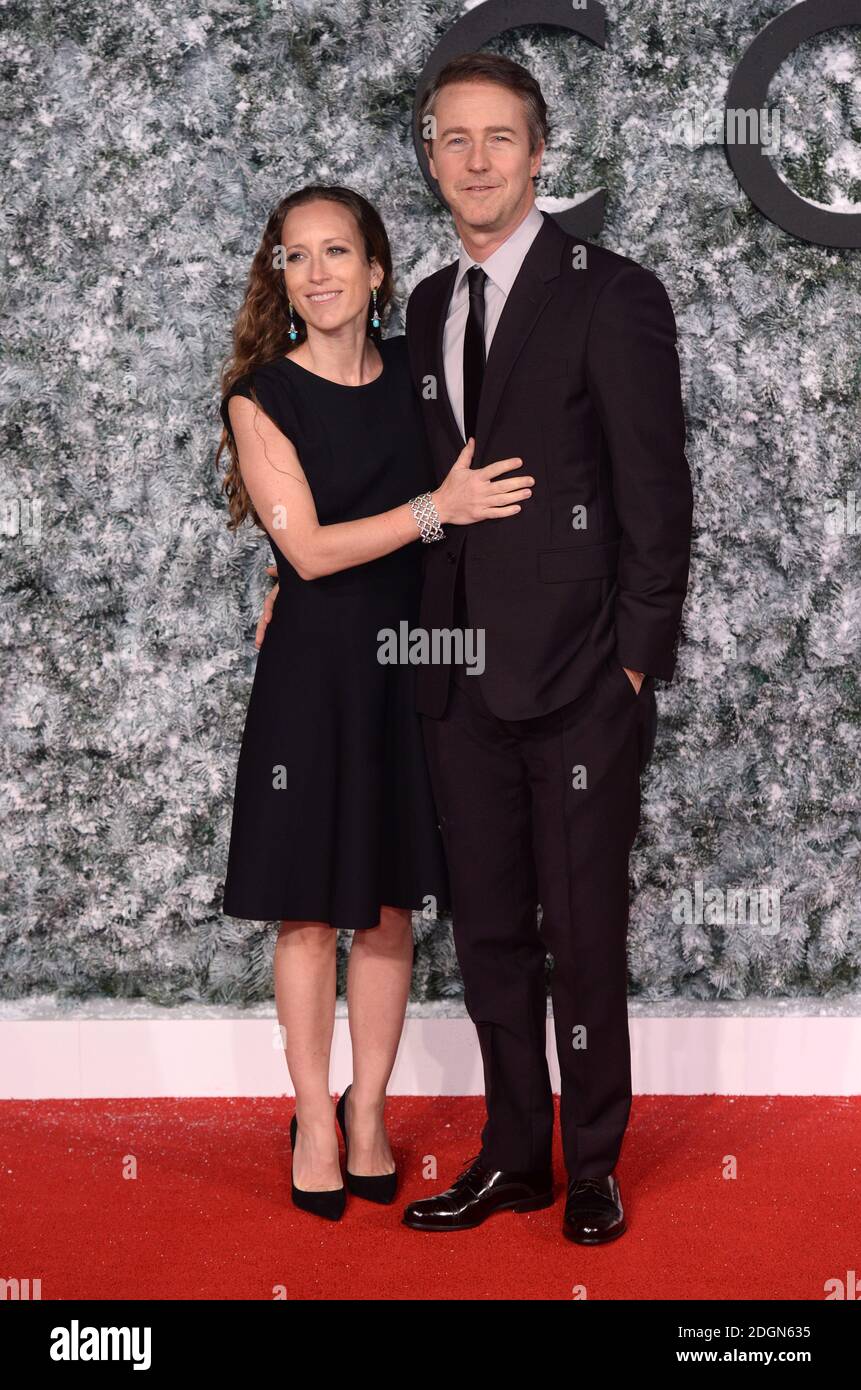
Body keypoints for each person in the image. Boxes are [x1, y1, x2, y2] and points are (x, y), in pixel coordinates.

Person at [261, 51, 693, 1245]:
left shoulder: (613, 293)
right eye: (452, 138)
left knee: (583, 932)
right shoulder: (427, 304)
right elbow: (412, 488)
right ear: (430, 158)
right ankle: (516, 1154)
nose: (476, 159)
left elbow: (659, 497)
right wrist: (287, 572)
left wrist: (632, 668)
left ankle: (592, 1163)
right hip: (452, 685)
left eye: (500, 136)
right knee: (492, 933)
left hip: (581, 681)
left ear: (540, 154)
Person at [216, 184, 534, 1222]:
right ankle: (312, 1115)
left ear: (376, 269)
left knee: (391, 904)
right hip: (313, 678)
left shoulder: (417, 374)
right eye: (295, 255)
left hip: (410, 666)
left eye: (337, 251)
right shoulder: (261, 396)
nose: (317, 272)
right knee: (311, 908)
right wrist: (434, 510)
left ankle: (367, 1110)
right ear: (281, 278)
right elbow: (307, 550)